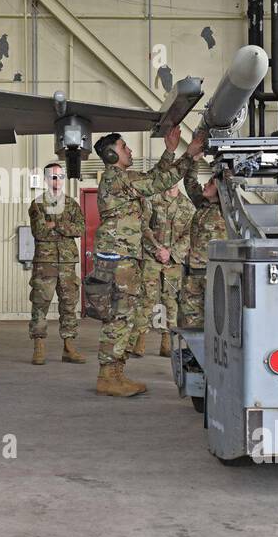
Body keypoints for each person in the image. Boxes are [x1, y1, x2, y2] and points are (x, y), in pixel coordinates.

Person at [91, 126, 203, 396]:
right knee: (119, 315)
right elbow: (157, 183)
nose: (130, 150)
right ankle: (108, 376)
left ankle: (115, 373)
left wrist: (170, 151)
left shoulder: (122, 179)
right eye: (124, 147)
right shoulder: (115, 179)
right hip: (119, 257)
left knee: (126, 314)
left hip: (126, 255)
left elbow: (153, 177)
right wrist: (186, 155)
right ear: (111, 154)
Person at [27, 162, 87, 366]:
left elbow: (80, 229)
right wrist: (63, 227)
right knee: (40, 304)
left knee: (69, 305)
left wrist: (56, 224)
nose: (57, 181)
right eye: (53, 177)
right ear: (46, 179)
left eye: (61, 177)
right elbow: (39, 232)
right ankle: (39, 346)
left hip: (68, 263)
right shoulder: (38, 204)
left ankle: (69, 347)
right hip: (46, 262)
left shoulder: (72, 204)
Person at [132, 184, 194, 358]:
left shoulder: (187, 206)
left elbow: (189, 234)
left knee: (171, 300)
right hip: (152, 257)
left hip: (173, 261)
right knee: (146, 298)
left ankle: (167, 341)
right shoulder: (152, 199)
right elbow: (143, 226)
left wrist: (171, 253)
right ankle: (140, 338)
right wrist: (157, 249)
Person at [178, 154, 229, 331]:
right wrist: (195, 159)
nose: (205, 185)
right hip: (193, 273)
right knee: (191, 321)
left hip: (214, 274)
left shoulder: (228, 211)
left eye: (210, 183)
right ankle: (195, 355)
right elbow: (190, 182)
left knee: (218, 321)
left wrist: (223, 170)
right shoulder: (203, 204)